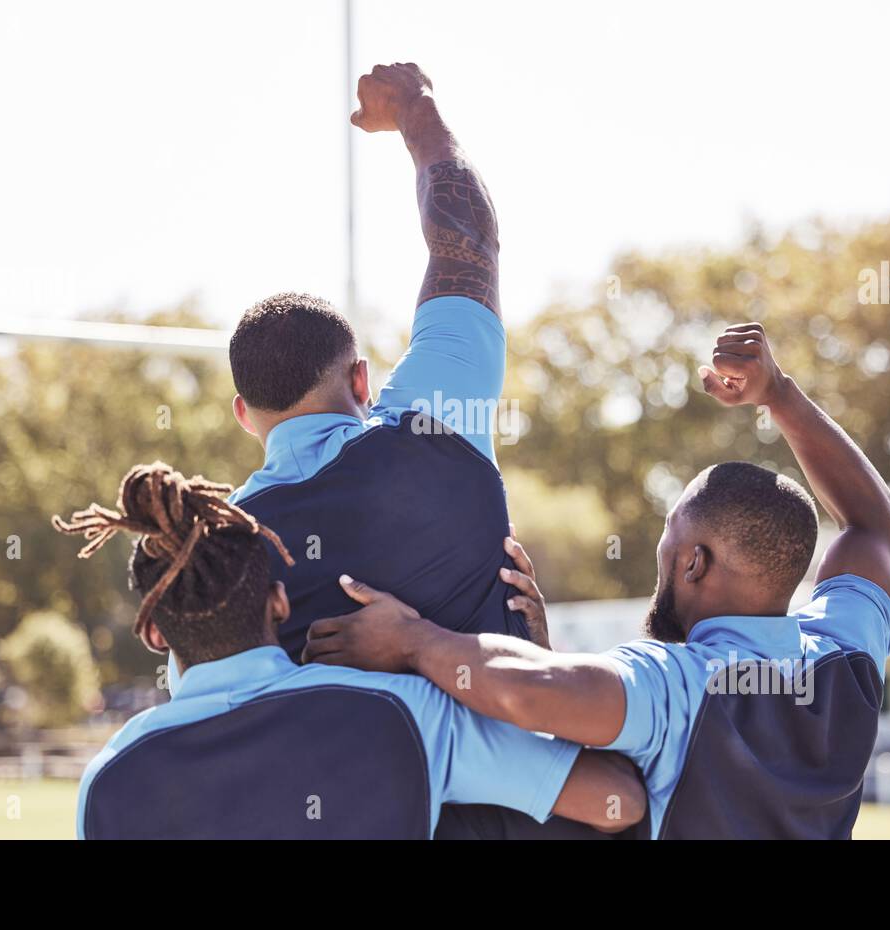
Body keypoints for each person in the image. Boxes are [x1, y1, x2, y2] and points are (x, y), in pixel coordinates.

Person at [303, 323, 890, 839]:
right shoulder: (848, 655)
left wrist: (410, 640)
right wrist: (780, 396)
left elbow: (531, 690)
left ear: (694, 563)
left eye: (670, 533)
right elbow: (874, 526)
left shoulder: (678, 687)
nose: (660, 551)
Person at [222, 63, 612, 838]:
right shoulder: (437, 423)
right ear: (362, 379)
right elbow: (468, 240)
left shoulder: (223, 543)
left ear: (242, 414)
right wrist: (416, 113)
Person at [54, 462, 645, 840]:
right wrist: (506, 650)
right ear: (279, 602)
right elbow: (617, 802)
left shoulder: (109, 780)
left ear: (154, 631)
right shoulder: (403, 712)